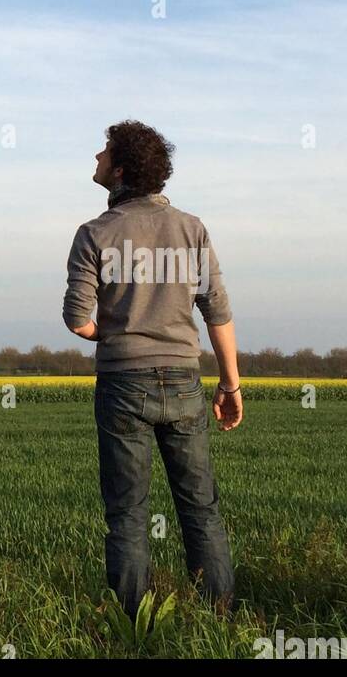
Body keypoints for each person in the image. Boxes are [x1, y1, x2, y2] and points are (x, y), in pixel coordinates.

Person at [63, 120, 240, 616]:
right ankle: (218, 617)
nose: (95, 159)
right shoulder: (191, 228)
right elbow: (218, 311)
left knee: (127, 513)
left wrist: (116, 335)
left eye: (102, 153)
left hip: (122, 385)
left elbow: (78, 320)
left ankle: (135, 627)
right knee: (201, 508)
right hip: (185, 380)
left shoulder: (94, 233)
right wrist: (230, 383)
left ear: (119, 171)